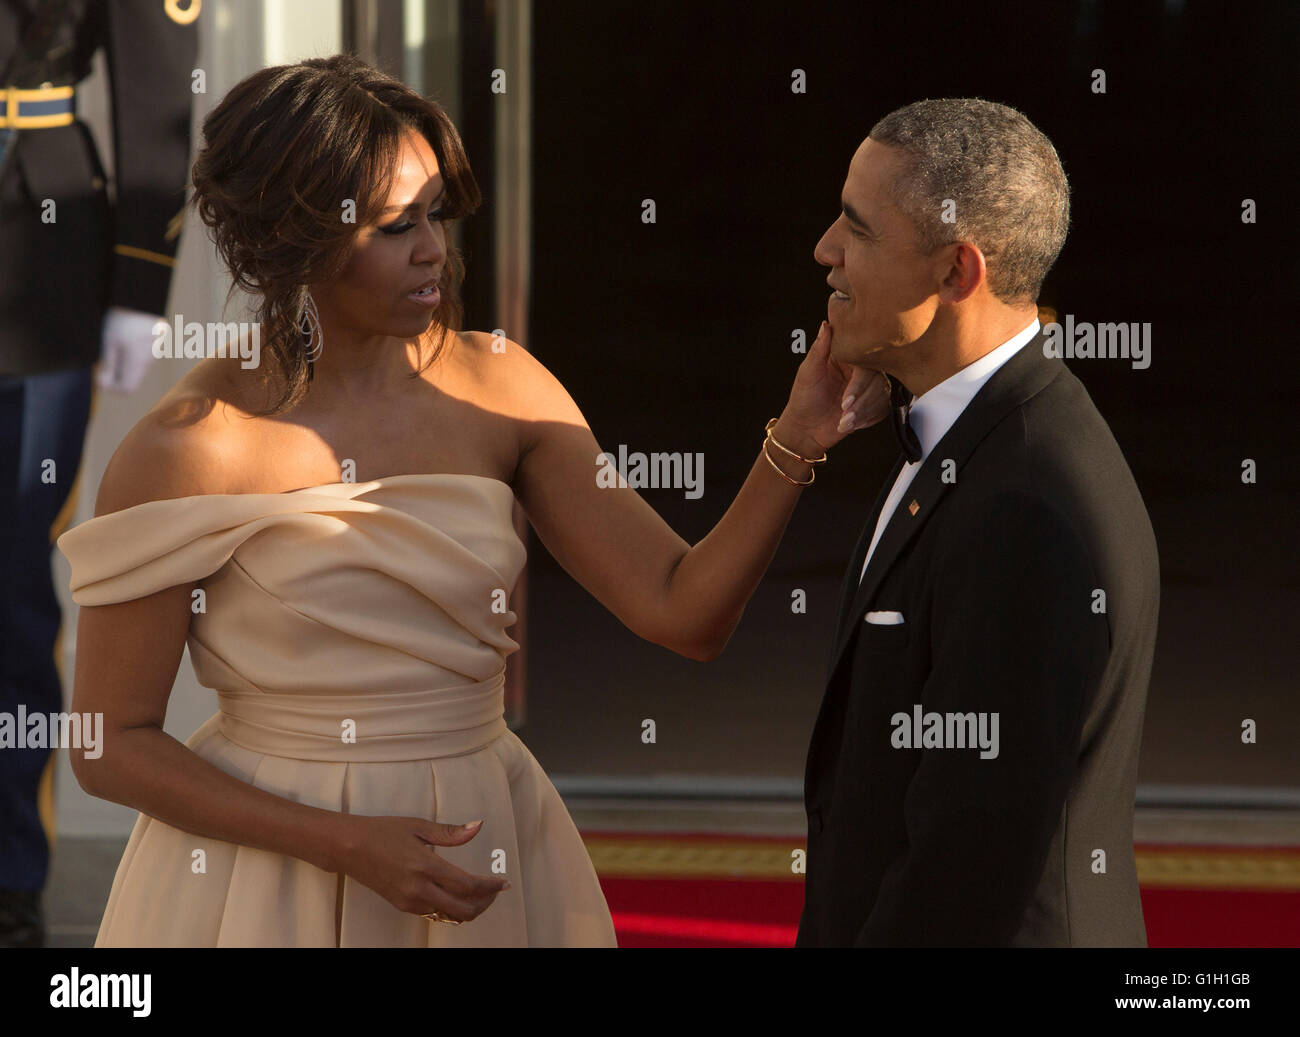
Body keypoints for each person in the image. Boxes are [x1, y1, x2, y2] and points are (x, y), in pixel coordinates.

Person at [54, 53, 891, 947]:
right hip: (261, 892)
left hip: (486, 858)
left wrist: (797, 439)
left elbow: (685, 611)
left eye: (437, 215)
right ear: (291, 238)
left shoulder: (503, 386)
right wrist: (343, 843)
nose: (433, 251)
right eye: (393, 226)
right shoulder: (191, 443)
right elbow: (110, 743)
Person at [797, 98, 1159, 946]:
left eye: (858, 227)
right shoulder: (981, 437)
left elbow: (962, 873)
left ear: (957, 273)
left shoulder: (1024, 506)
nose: (825, 250)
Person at [0, 0, 197, 947]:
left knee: (9, 592)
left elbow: (158, 85)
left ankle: (7, 871)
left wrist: (136, 282)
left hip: (32, 250)